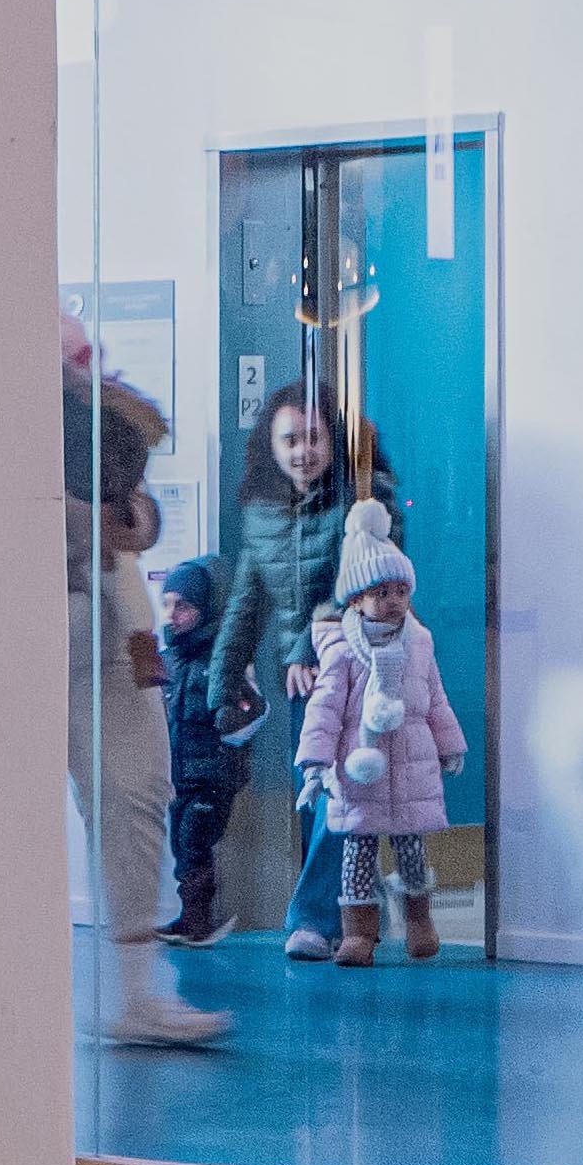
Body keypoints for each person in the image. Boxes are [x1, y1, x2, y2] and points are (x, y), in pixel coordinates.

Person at [68, 333, 230, 1049]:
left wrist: (121, 514)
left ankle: (139, 995)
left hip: (111, 639)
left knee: (137, 798)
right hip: (15, 633)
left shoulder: (97, 412)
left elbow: (137, 520)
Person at [203, 382, 403, 945]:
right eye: (289, 439)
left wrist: (300, 649)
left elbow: (366, 581)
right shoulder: (261, 512)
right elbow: (249, 598)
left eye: (313, 438)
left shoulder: (367, 500)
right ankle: (357, 903)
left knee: (339, 792)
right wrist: (220, 684)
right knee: (320, 800)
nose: (302, 451)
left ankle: (313, 919)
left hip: (362, 667)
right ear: (269, 445)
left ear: (334, 441)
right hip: (304, 683)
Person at [296, 509, 465, 964]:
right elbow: (325, 707)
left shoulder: (420, 642)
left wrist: (450, 744)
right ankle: (359, 934)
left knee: (412, 853)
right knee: (357, 855)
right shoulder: (341, 650)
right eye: (380, 592)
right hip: (361, 768)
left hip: (410, 768)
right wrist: (315, 761)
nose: (393, 601)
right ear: (355, 599)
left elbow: (435, 698)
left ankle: (419, 922)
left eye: (400, 591)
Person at [157, 543, 244, 943]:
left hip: (211, 774)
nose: (173, 615)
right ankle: (189, 914)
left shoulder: (224, 659)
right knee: (180, 844)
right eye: (168, 604)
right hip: (177, 773)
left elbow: (251, 712)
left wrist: (232, 721)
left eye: (184, 606)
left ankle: (198, 917)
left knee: (194, 843)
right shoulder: (168, 660)